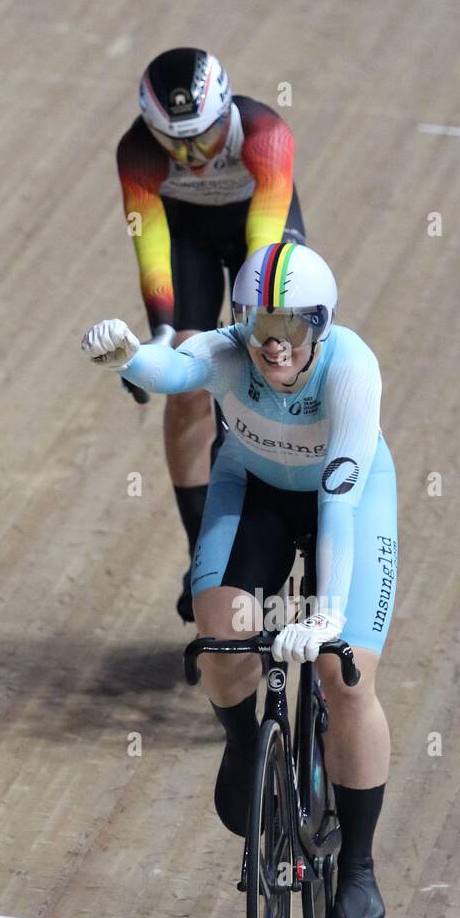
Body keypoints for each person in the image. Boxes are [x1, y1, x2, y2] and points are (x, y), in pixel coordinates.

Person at [81, 242, 397, 918]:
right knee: (220, 640)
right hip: (252, 489)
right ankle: (245, 744)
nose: (273, 344)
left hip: (346, 502)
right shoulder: (230, 351)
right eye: (258, 324)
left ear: (321, 326)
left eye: (290, 327)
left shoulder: (352, 369)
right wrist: (128, 357)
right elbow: (175, 369)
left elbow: (338, 502)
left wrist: (328, 615)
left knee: (346, 678)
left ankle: (359, 865)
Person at [117, 47, 306, 622]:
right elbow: (151, 246)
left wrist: (257, 329)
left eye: (203, 138)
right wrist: (160, 338)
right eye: (174, 145)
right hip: (187, 237)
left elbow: (263, 253)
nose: (192, 157)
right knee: (185, 379)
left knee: (278, 359)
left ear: (226, 113)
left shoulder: (265, 132)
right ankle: (203, 552)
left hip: (260, 224)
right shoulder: (136, 151)